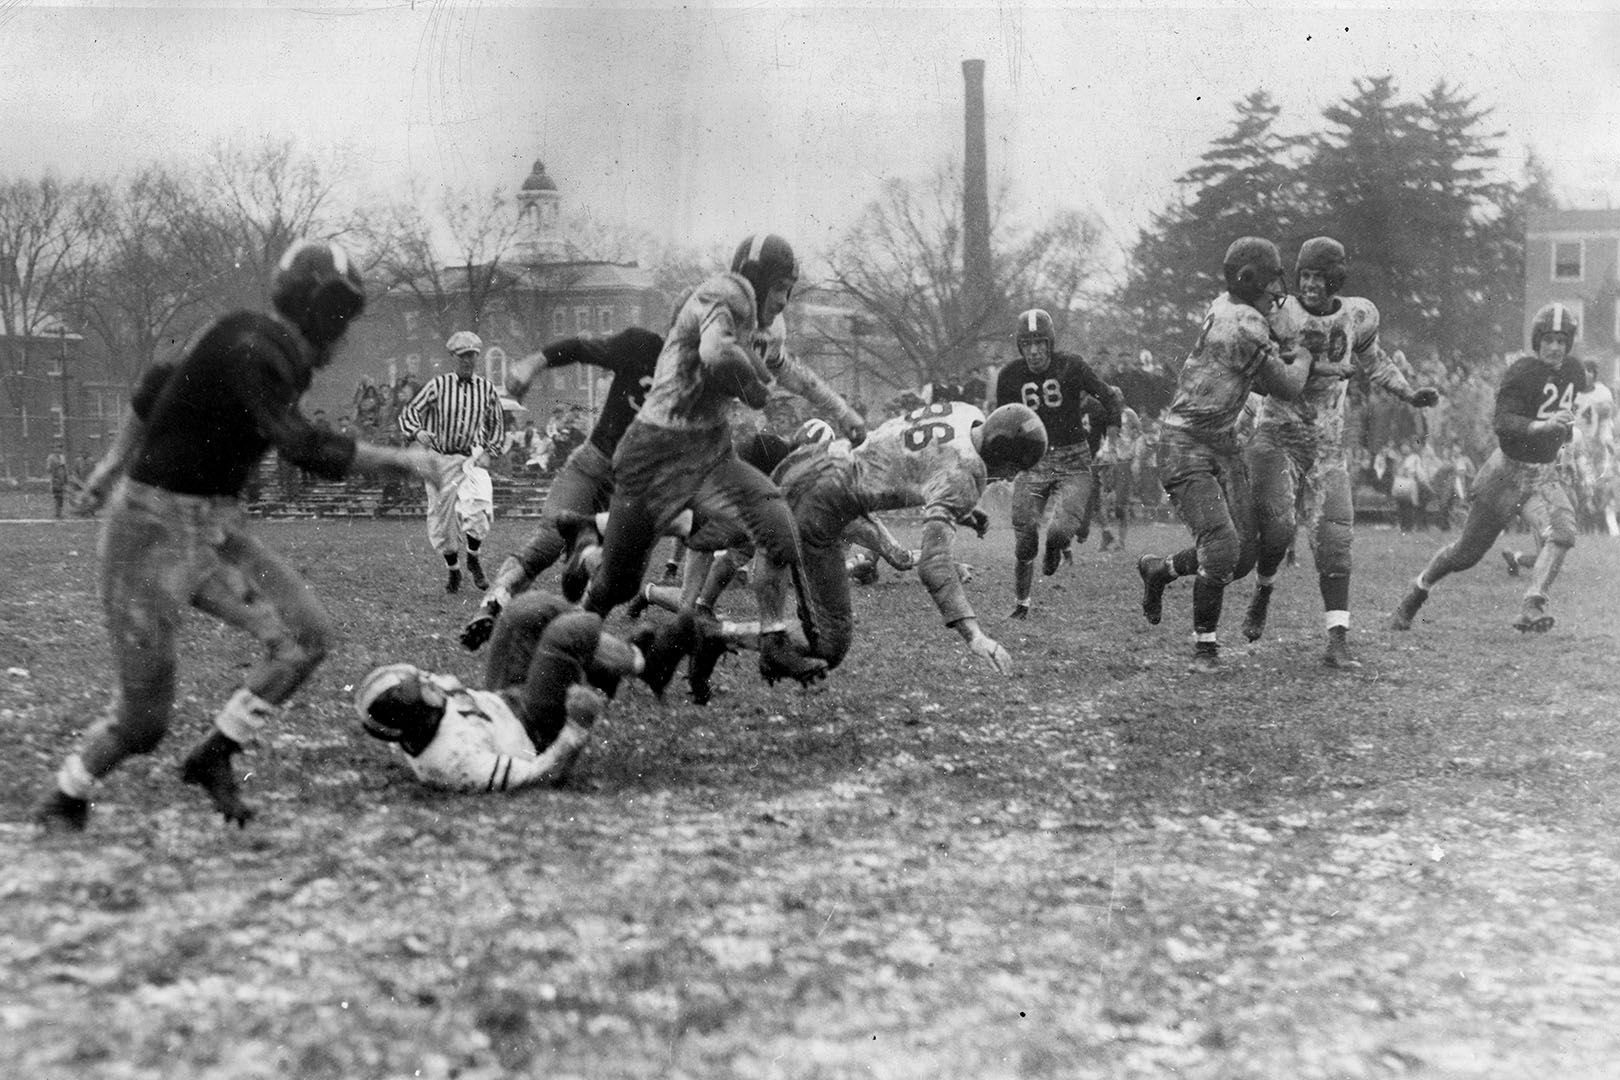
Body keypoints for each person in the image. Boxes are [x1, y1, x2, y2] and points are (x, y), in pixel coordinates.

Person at [32, 239, 437, 832]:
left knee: (306, 636)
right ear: (322, 310)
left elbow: (154, 387)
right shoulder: (256, 348)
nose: (345, 334)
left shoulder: (257, 341)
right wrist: (405, 461)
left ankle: (216, 754)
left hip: (212, 526)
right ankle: (65, 795)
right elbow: (301, 445)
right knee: (143, 724)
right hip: (149, 530)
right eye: (342, 317)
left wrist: (108, 463)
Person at [578, 233, 865, 687]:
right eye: (781, 287)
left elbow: (793, 372)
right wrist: (751, 381)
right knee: (617, 582)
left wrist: (843, 412)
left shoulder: (767, 325)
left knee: (777, 522)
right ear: (757, 278)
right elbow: (715, 352)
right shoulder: (724, 294)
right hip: (654, 453)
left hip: (708, 452)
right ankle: (575, 634)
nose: (785, 300)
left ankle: (772, 644)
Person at [690, 401, 1044, 679]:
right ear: (1001, 449)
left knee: (741, 542)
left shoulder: (967, 415)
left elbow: (915, 461)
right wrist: (974, 635)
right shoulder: (965, 475)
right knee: (829, 642)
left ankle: (721, 634)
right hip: (825, 503)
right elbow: (934, 565)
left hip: (816, 462)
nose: (1009, 478)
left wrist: (963, 512)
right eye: (1014, 467)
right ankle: (714, 636)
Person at [1236, 237, 1439, 667]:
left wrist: (1408, 393)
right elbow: (1263, 372)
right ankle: (1264, 589)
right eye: (1304, 275)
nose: (1309, 284)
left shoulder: (1357, 316)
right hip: (1278, 436)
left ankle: (1337, 640)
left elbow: (1376, 362)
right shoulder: (1280, 313)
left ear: (1335, 278)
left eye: (1318, 276)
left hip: (1327, 444)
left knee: (1335, 539)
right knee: (1278, 530)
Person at [1134, 237, 1309, 672]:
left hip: (1221, 440)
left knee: (1243, 557)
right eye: (1270, 282)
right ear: (1249, 281)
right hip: (1184, 444)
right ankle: (1204, 647)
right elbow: (1286, 385)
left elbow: (1261, 381)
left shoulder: (1229, 306)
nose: (1276, 291)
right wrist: (1304, 353)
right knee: (1223, 546)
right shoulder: (1245, 324)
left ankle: (1161, 570)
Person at [356, 591, 692, 792]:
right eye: (423, 686)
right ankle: (640, 664)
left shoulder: (420, 720)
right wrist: (576, 728)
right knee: (572, 631)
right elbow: (542, 775)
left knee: (526, 610)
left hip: (503, 703)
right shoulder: (455, 762)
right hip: (534, 730)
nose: (431, 680)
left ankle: (626, 665)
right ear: (419, 716)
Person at [458, 327, 664, 651]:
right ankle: (492, 603)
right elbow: (581, 347)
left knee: (615, 577)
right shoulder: (646, 345)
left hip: (632, 489)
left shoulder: (704, 384)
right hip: (592, 466)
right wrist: (533, 363)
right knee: (550, 539)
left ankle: (572, 628)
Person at [1390, 303, 1588, 634]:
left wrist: (1564, 444)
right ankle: (1415, 594)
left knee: (1563, 533)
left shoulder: (1574, 372)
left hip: (1543, 475)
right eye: (1549, 339)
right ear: (1537, 340)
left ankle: (1532, 605)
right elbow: (1504, 422)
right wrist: (1542, 426)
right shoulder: (1522, 372)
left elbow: (1564, 419)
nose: (1555, 346)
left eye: (1562, 340)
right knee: (1465, 555)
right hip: (1506, 474)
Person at [994, 308, 1119, 619]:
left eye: (1040, 343)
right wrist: (1005, 460)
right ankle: (1022, 604)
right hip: (1033, 462)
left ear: (1050, 343)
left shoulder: (1072, 365)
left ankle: (1054, 550)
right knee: (1024, 537)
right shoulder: (1010, 376)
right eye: (1027, 344)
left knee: (1060, 532)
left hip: (1074, 458)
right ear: (1020, 346)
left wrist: (1112, 445)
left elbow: (1110, 397)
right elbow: (1004, 423)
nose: (1034, 351)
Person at [397, 331, 507, 593]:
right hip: (439, 459)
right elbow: (410, 411)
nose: (468, 361)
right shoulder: (439, 385)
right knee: (441, 519)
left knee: (479, 505)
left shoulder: (486, 389)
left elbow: (497, 426)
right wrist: (417, 431)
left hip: (470, 458)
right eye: (463, 357)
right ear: (454, 358)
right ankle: (454, 571)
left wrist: (489, 451)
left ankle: (473, 558)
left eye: (472, 356)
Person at [45, 442, 69, 518]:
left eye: (60, 448)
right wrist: (53, 474)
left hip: (62, 478)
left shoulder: (62, 457)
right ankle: (57, 513)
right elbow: (48, 469)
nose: (59, 449)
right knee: (57, 496)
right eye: (57, 447)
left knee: (61, 497)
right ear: (54, 449)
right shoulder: (51, 457)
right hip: (55, 479)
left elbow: (65, 468)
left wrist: (66, 478)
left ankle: (60, 512)